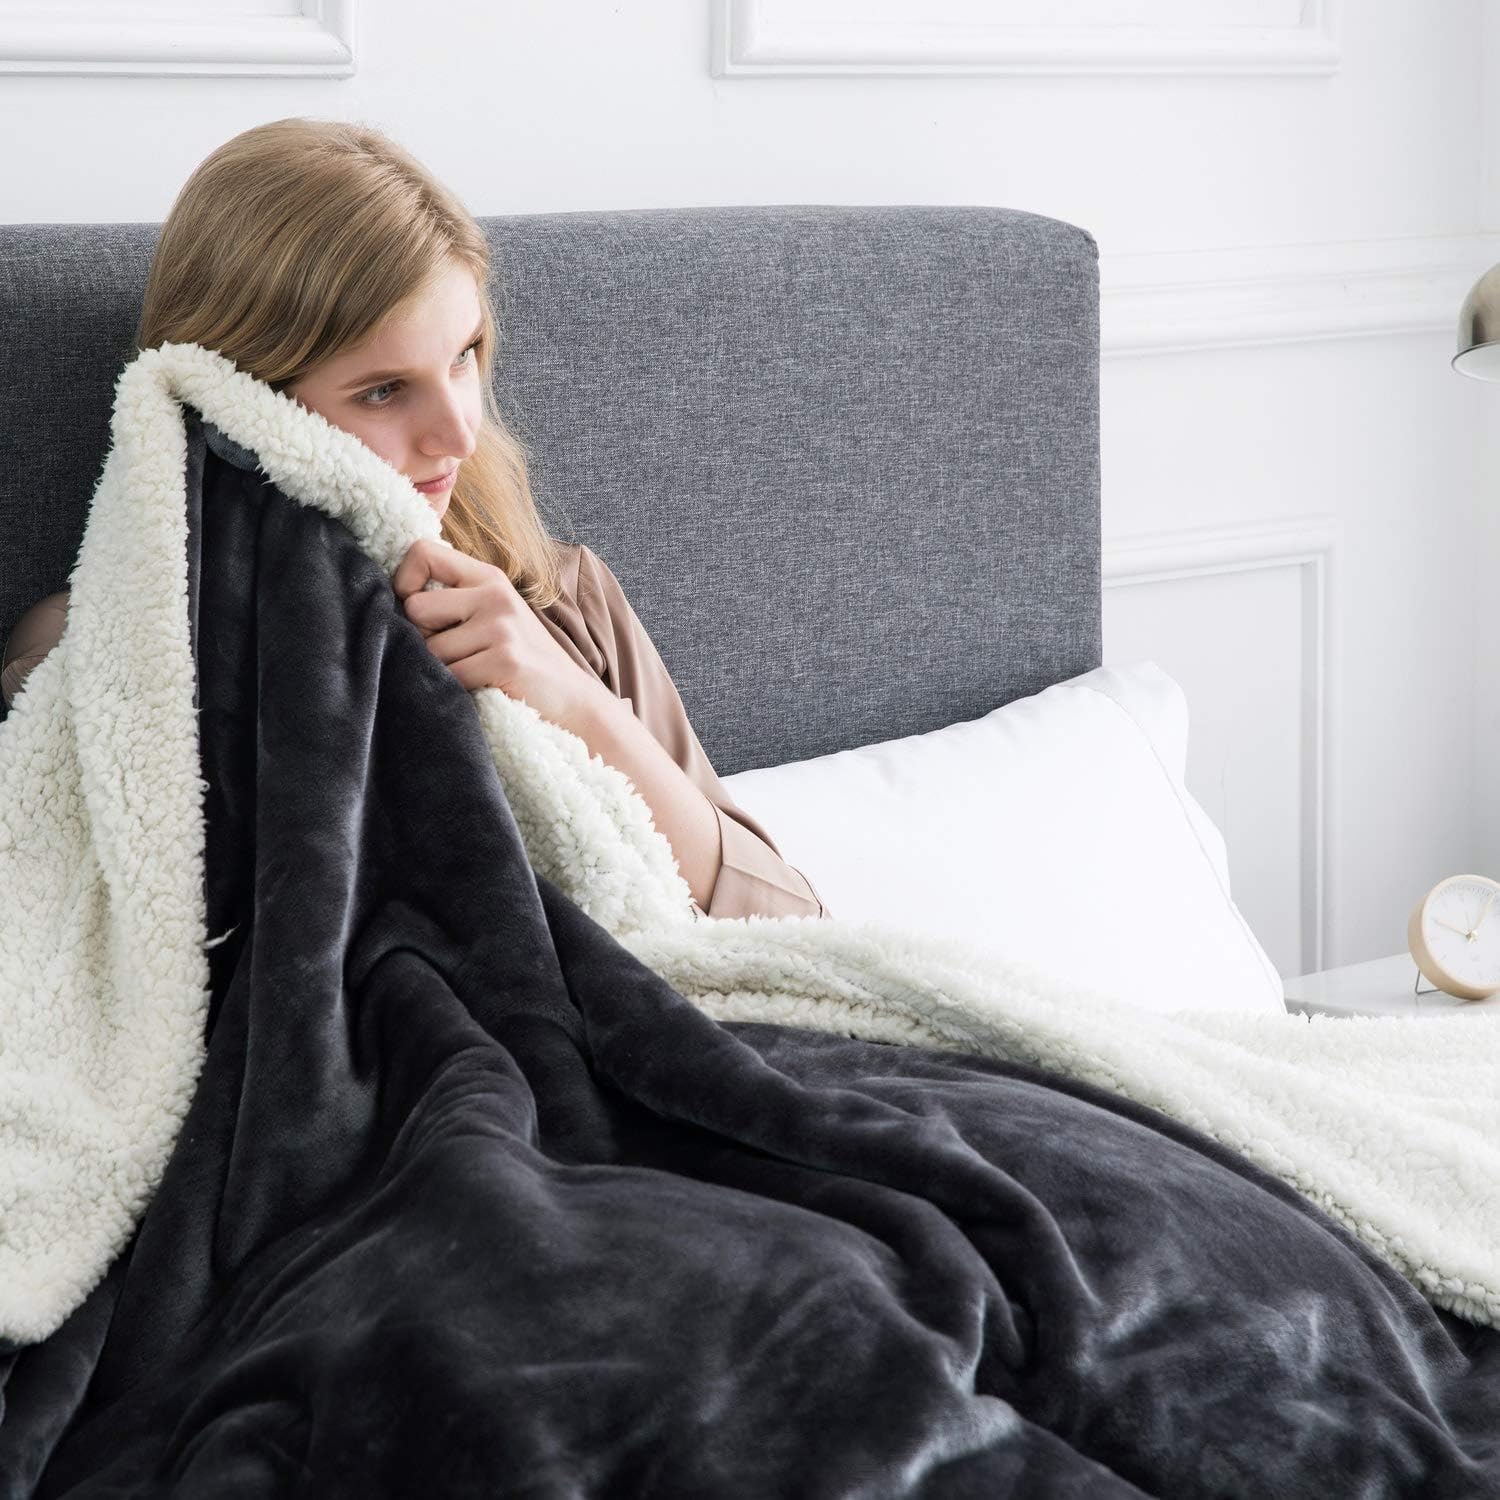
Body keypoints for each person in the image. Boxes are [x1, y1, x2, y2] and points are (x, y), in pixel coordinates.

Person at [0, 117, 829, 923]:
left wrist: (573, 698)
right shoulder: (111, 656)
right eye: (383, 391)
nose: (458, 434)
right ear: (240, 409)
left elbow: (789, 921)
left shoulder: (562, 599)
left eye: (462, 355)